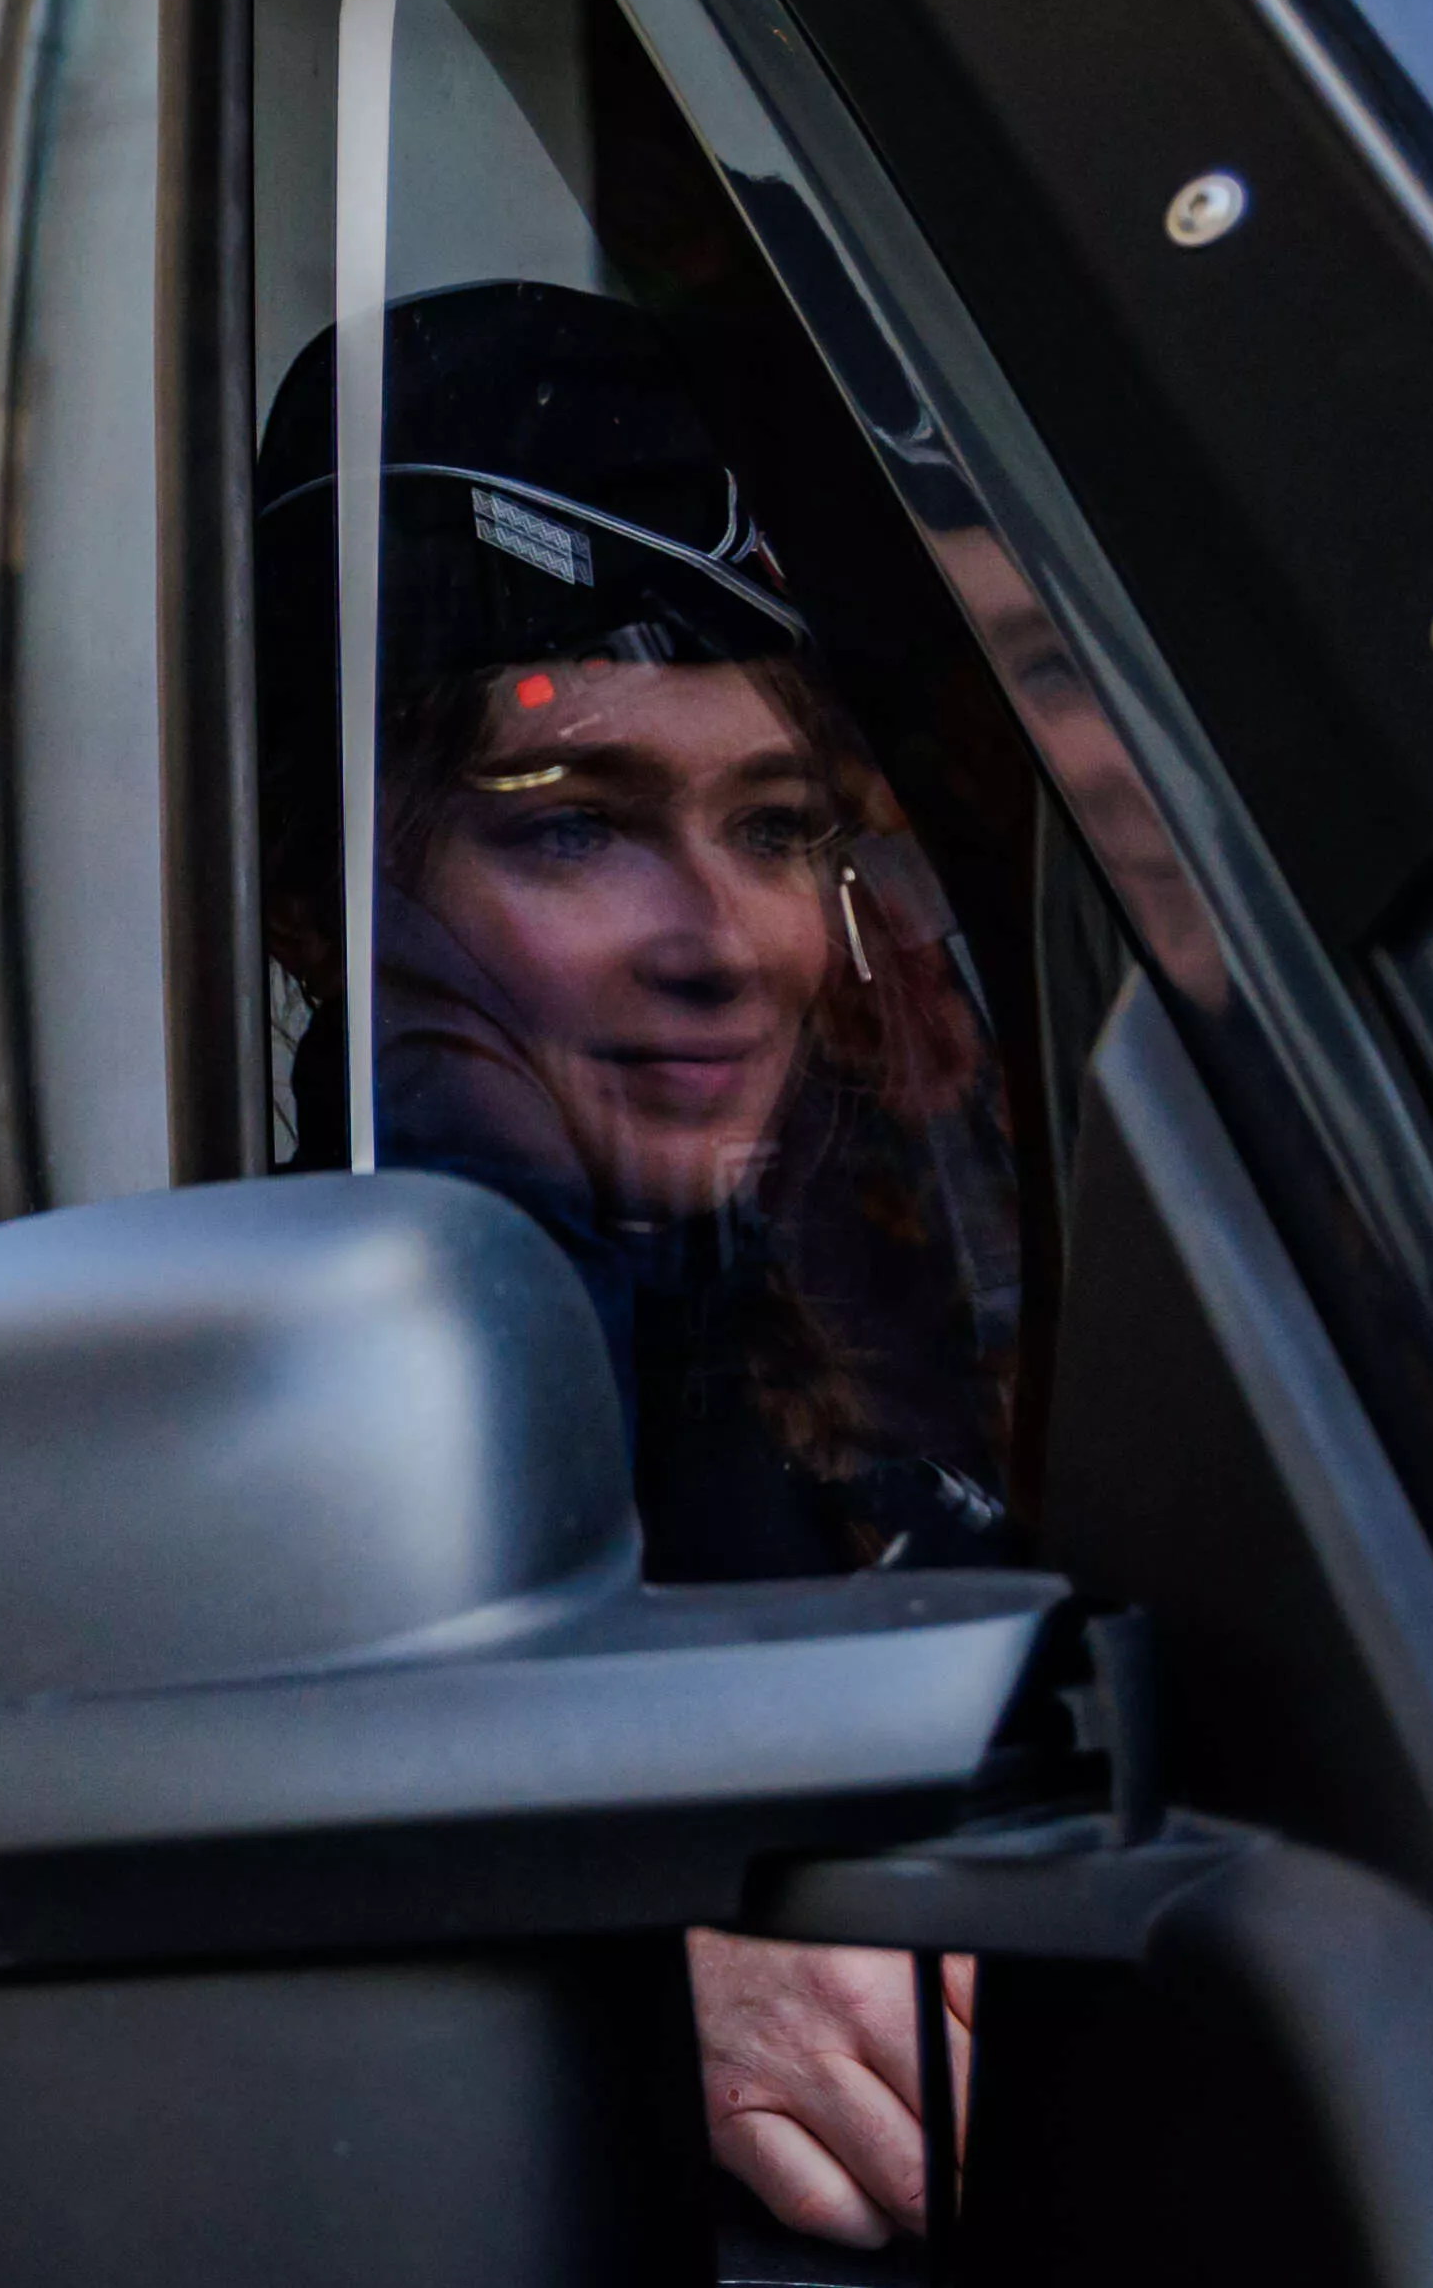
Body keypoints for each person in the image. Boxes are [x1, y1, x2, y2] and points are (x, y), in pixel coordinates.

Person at [257, 281, 1018, 2248]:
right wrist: (616, 1934)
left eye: (771, 826)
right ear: (312, 894)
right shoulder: (256, 1391)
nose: (722, 940)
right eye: (572, 827)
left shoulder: (841, 1280)